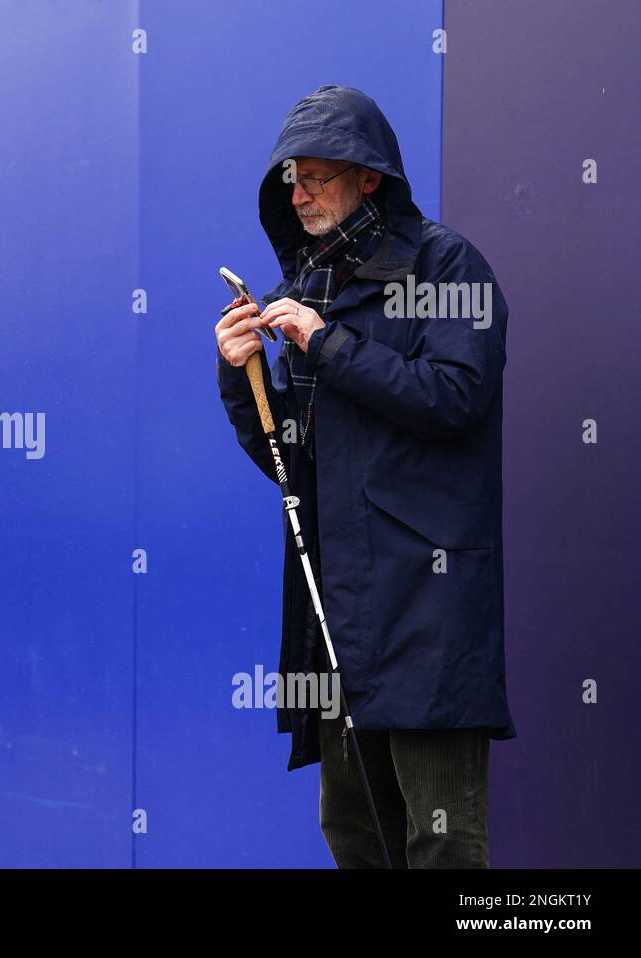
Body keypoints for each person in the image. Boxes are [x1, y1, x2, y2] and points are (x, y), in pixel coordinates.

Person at [214, 84, 516, 869]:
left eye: (319, 176)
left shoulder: (449, 262)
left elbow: (456, 397)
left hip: (429, 608)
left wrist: (326, 346)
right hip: (333, 608)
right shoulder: (306, 286)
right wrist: (239, 374)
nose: (302, 193)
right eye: (292, 179)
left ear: (370, 177)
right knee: (353, 835)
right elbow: (291, 463)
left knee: (441, 844)